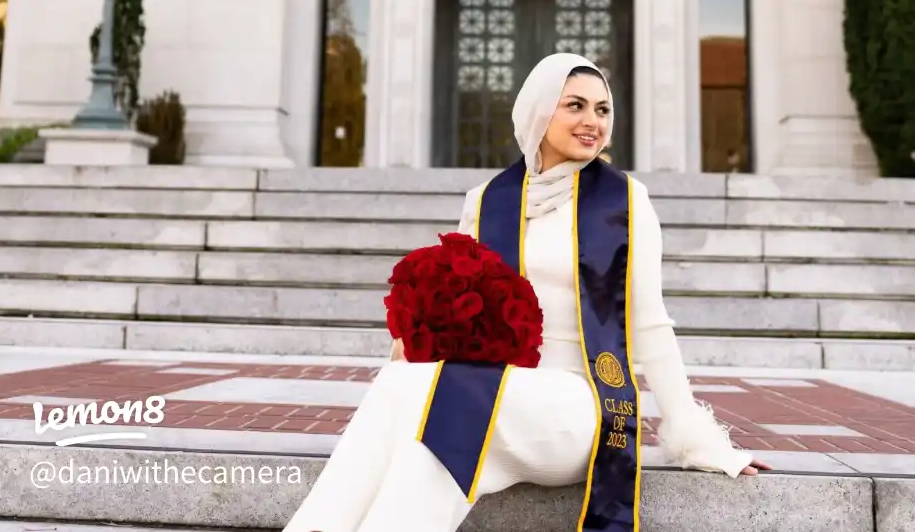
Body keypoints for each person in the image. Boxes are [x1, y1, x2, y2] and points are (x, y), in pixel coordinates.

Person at [283, 52, 768, 532]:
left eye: (602, 110)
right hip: (486, 399)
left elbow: (651, 325)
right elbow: (459, 305)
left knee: (413, 393)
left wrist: (697, 439)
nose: (592, 122)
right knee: (422, 456)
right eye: (574, 105)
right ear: (539, 110)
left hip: (581, 407)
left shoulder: (626, 201)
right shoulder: (487, 200)